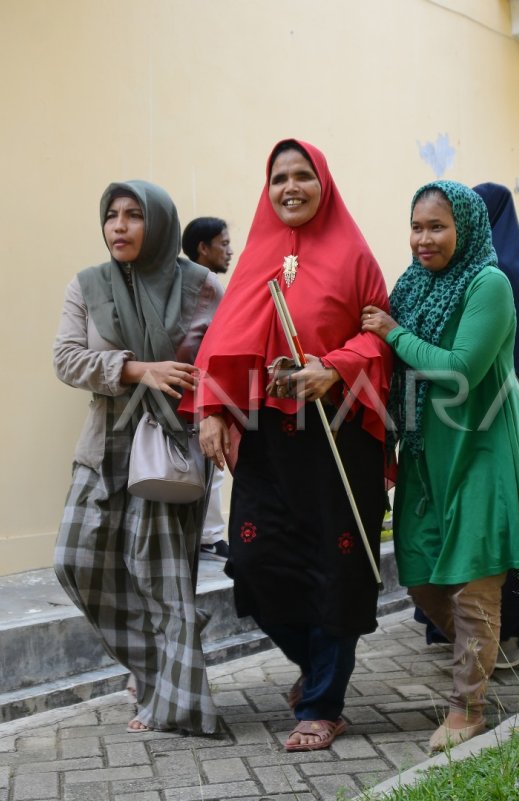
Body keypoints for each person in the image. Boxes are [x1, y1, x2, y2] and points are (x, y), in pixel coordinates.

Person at [188, 139, 393, 751]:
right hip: (265, 437)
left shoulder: (354, 254)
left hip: (337, 435)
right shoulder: (256, 256)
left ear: (323, 183)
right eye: (279, 178)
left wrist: (332, 367)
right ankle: (317, 664)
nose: (291, 188)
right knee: (254, 563)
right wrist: (212, 409)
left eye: (303, 176)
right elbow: (228, 343)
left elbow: (382, 337)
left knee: (337, 563)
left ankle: (325, 700)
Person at [361, 180, 519, 752]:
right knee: (422, 576)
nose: (423, 240)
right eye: (417, 227)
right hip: (426, 452)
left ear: (467, 228)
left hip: (482, 450)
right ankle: (482, 651)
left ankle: (467, 707)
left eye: (437, 227)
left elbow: (458, 371)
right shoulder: (413, 285)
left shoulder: (490, 283)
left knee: (474, 583)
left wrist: (392, 332)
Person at [53, 180, 222, 734]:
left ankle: (175, 700)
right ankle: (156, 670)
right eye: (111, 215)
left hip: (171, 444)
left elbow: (222, 363)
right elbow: (67, 360)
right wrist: (135, 369)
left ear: (160, 223)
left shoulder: (201, 287)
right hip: (106, 444)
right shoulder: (88, 285)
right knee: (76, 561)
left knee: (161, 574)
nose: (119, 226)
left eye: (133, 215)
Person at [182, 216, 234, 562]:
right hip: (197, 387)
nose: (230, 252)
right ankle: (210, 537)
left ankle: (204, 534)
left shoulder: (184, 282)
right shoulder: (205, 286)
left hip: (188, 386)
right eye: (224, 244)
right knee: (209, 460)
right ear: (204, 248)